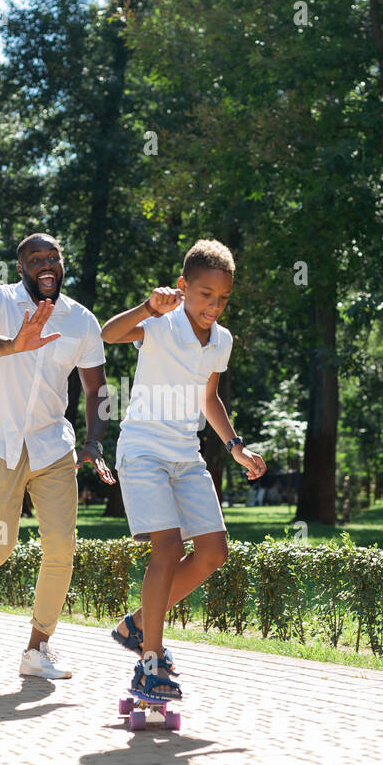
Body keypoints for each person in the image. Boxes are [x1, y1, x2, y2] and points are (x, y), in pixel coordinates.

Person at [0, 233, 115, 678]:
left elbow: (97, 389)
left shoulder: (81, 321)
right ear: (21, 268)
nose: (46, 265)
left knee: (61, 547)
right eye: (36, 259)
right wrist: (14, 344)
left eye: (53, 257)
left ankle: (37, 649)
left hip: (53, 447)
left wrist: (93, 442)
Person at [101, 239, 266, 702]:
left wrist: (234, 446)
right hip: (143, 451)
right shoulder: (159, 322)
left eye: (222, 298)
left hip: (186, 454)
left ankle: (136, 624)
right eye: (204, 294)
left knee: (214, 552)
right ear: (183, 287)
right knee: (169, 547)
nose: (213, 305)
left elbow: (208, 397)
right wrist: (146, 307)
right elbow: (109, 335)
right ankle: (150, 660)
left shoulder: (222, 340)